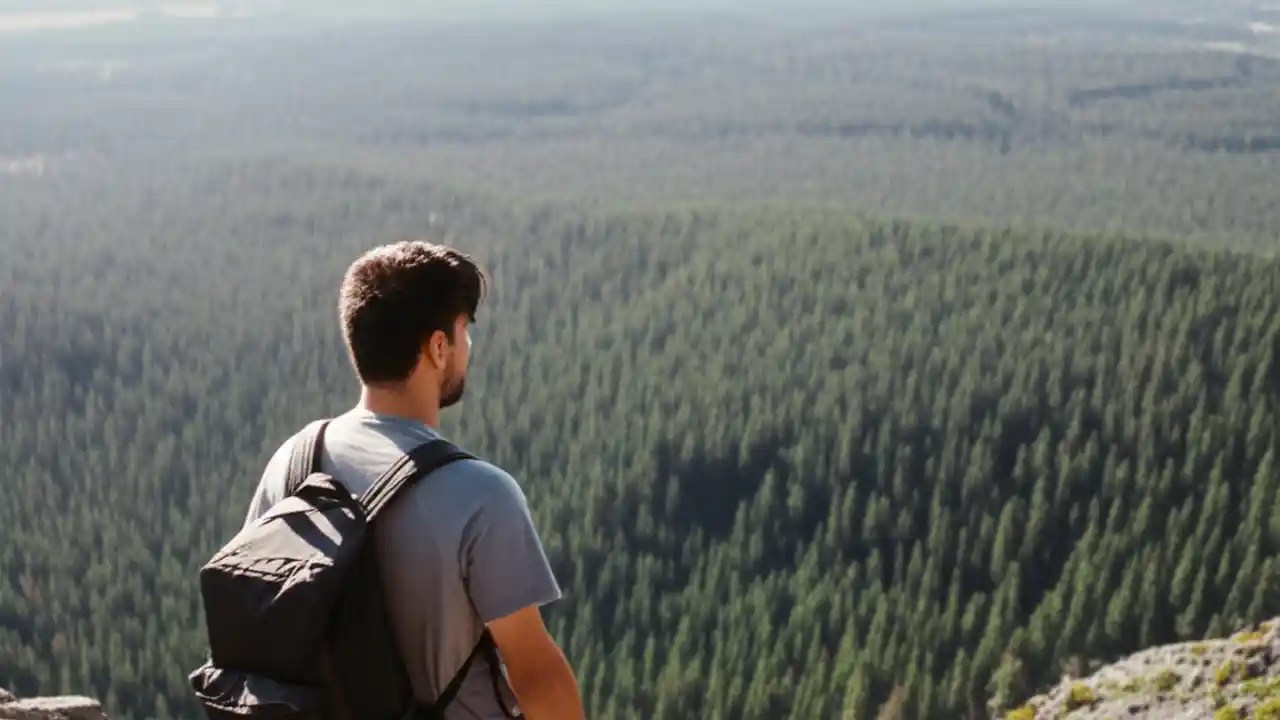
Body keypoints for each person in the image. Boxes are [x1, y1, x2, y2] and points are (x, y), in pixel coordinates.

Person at [242, 241, 586, 720]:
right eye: (464, 331)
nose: (468, 347)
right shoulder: (481, 495)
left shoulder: (293, 461)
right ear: (439, 346)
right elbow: (535, 675)